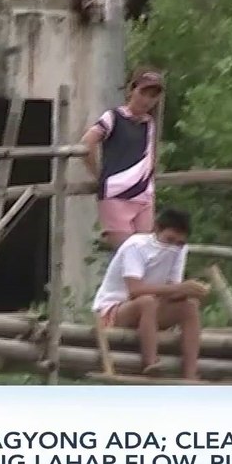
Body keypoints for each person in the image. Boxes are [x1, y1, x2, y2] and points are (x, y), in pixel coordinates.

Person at [90, 208, 209, 379]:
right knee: (147, 301)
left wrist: (189, 292)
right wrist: (179, 288)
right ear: (157, 229)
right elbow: (135, 290)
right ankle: (151, 363)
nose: (173, 246)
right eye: (169, 240)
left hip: (150, 310)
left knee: (190, 306)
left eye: (179, 242)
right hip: (115, 311)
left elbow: (171, 290)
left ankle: (190, 373)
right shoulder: (136, 246)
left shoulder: (179, 250)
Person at [80, 70, 163, 250]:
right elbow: (87, 143)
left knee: (145, 255)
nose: (147, 100)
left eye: (153, 96)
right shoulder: (113, 117)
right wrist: (99, 174)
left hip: (144, 196)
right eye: (143, 93)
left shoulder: (149, 123)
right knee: (125, 255)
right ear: (132, 91)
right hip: (117, 196)